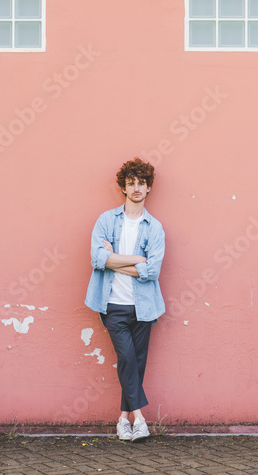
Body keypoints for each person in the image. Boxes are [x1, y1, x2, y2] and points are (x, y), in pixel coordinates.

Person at [85, 158, 165, 442]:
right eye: (131, 183)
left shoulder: (154, 227)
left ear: (149, 187)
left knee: (135, 365)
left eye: (141, 183)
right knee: (128, 359)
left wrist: (113, 260)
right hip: (114, 306)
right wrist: (136, 260)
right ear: (123, 187)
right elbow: (97, 258)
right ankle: (141, 420)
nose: (136, 188)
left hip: (144, 308)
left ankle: (122, 420)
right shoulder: (107, 220)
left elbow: (152, 270)